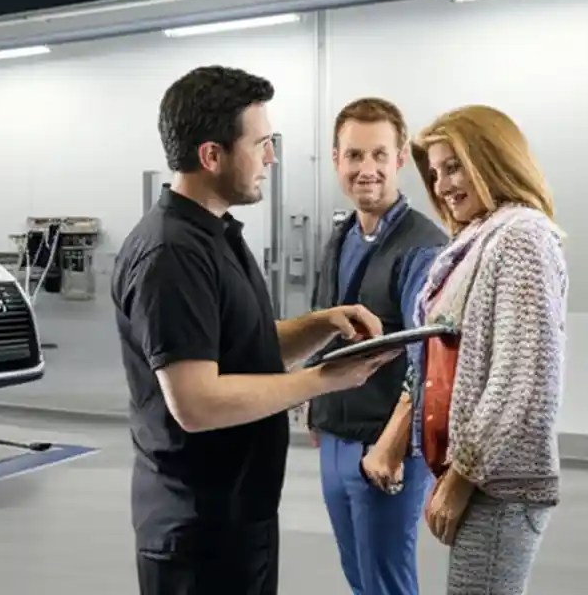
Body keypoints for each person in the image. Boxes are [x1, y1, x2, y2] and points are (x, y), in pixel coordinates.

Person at [112, 65, 401, 595]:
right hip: (197, 531)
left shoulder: (216, 233)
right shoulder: (171, 253)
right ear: (211, 155)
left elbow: (235, 345)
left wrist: (321, 326)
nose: (271, 157)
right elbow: (197, 401)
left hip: (239, 514)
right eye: (261, 143)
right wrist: (323, 380)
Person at [374, 104, 567, 594]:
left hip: (496, 483)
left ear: (493, 158)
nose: (440, 185)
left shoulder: (520, 236)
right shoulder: (479, 239)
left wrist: (461, 479)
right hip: (477, 476)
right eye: (435, 172)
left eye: (454, 165)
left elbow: (521, 378)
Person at [306, 98, 447, 595]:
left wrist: (390, 446)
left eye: (379, 156)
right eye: (354, 155)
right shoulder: (341, 236)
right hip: (336, 436)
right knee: (360, 578)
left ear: (401, 159)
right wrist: (315, 409)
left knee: (386, 582)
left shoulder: (423, 247)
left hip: (386, 446)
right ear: (336, 159)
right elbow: (326, 328)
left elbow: (428, 356)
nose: (366, 170)